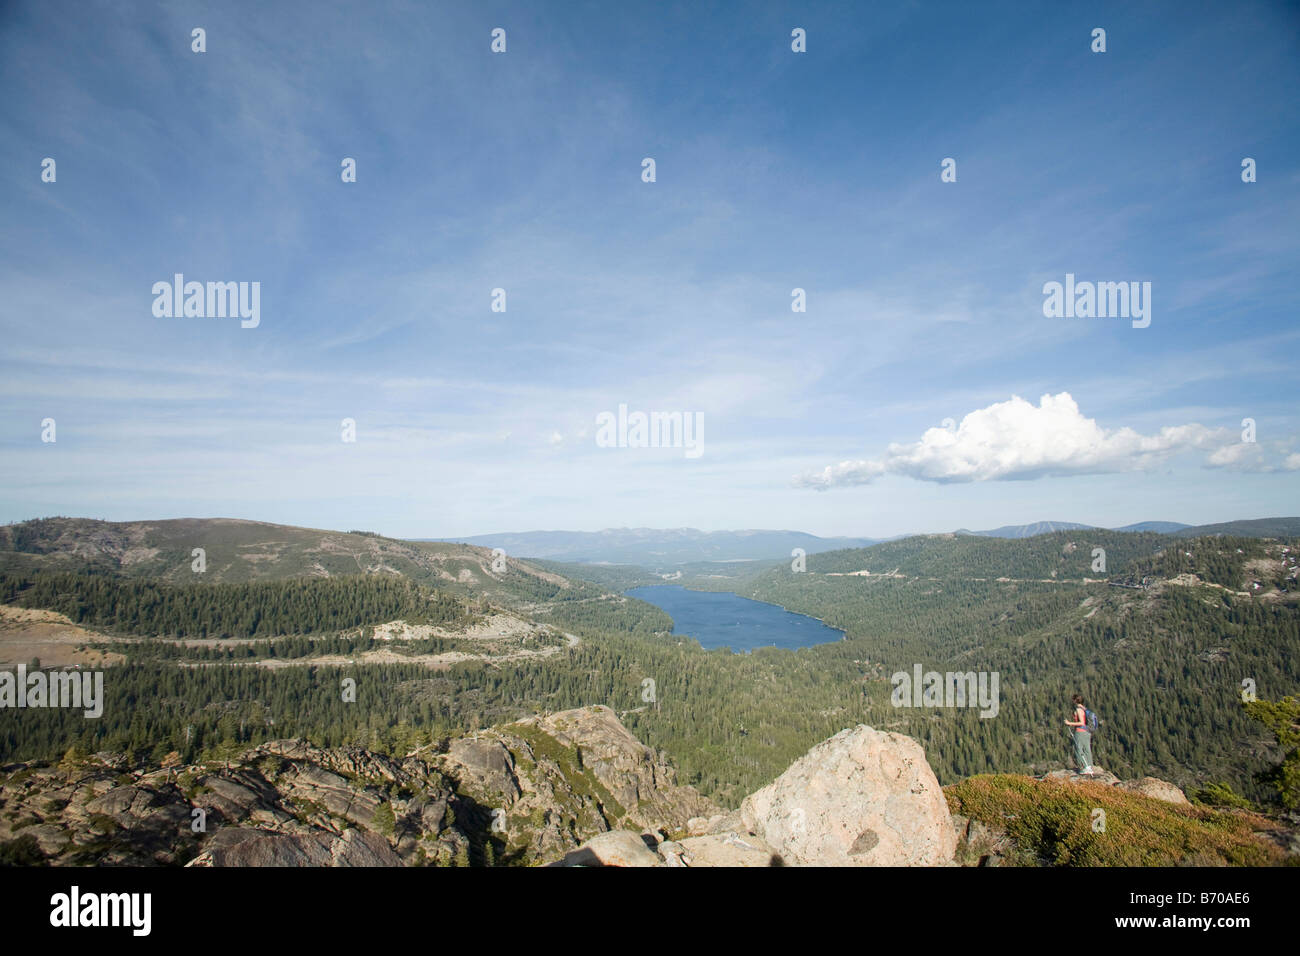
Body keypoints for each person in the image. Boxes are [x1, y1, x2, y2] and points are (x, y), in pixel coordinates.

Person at [1064, 693, 1094, 774]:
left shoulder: (1078, 710)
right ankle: (1090, 766)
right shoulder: (1084, 709)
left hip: (1080, 732)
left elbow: (1081, 722)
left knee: (1079, 749)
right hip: (1087, 732)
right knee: (1087, 749)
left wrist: (1069, 723)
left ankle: (1084, 767)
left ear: (1075, 700)